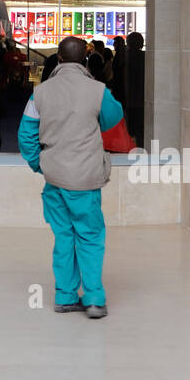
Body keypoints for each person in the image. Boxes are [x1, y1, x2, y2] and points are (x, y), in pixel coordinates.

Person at [18, 35, 125, 318]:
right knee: (89, 237)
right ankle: (93, 300)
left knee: (64, 236)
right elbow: (114, 117)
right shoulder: (98, 90)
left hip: (55, 177)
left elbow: (25, 135)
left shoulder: (40, 92)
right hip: (86, 178)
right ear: (85, 60)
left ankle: (65, 296)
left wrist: (39, 164)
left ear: (59, 59)